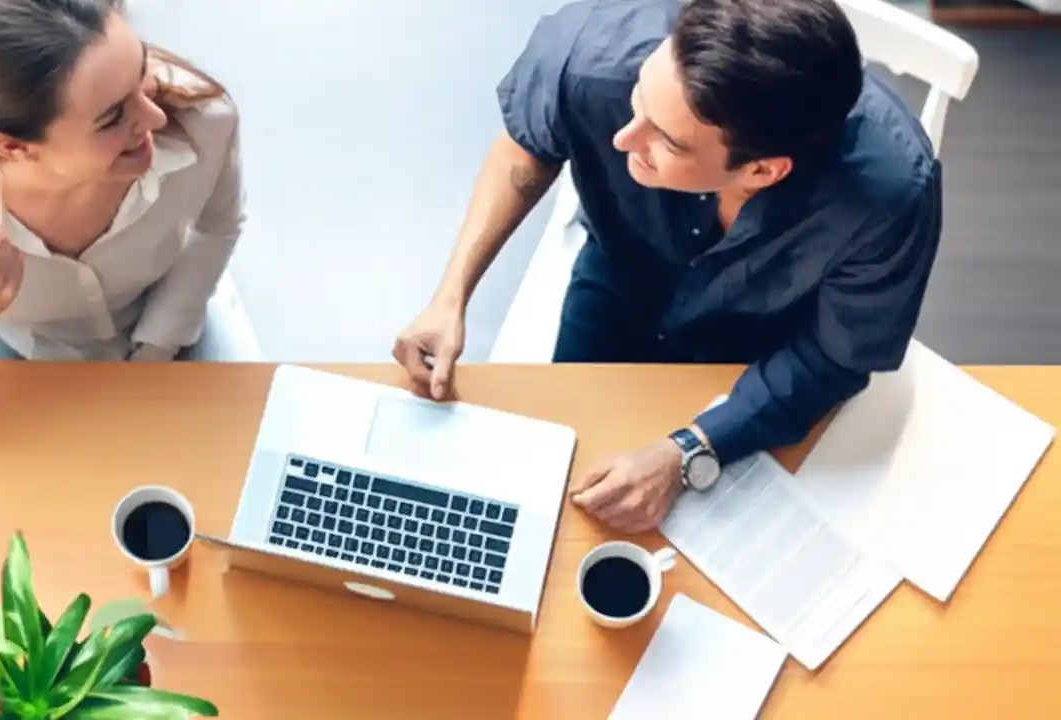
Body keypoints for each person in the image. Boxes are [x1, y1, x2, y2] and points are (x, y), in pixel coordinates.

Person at [394, 0, 941, 534]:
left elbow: (832, 358)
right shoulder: (590, 55)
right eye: (638, 100)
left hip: (768, 349)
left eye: (668, 140)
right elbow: (527, 149)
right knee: (559, 479)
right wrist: (451, 296)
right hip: (621, 278)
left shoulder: (890, 194)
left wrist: (687, 453)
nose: (623, 138)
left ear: (762, 171)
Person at [0, 0, 244, 434]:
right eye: (114, 118)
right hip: (24, 360)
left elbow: (218, 227)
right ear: (13, 148)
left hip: (175, 322)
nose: (155, 117)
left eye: (143, 73)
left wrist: (157, 348)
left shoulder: (203, 121)